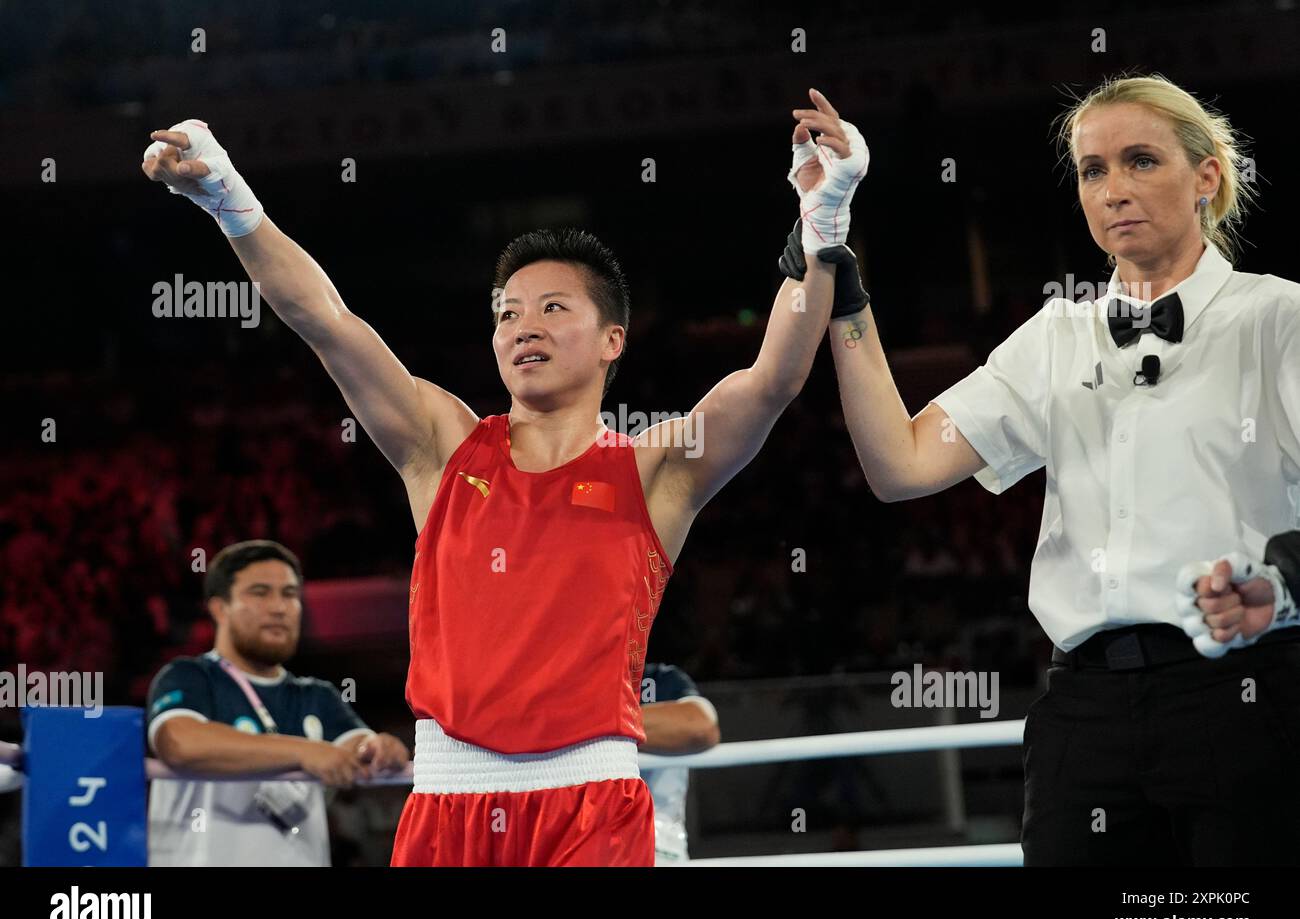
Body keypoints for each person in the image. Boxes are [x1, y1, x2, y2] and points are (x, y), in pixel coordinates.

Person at [140, 91, 869, 865]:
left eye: (553, 307)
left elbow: (772, 382)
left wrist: (824, 222)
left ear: (612, 339)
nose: (524, 325)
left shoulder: (656, 468)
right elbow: (327, 321)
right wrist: (227, 196)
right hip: (447, 802)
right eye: (507, 313)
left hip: (592, 806)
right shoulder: (442, 447)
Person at [803, 72, 1300, 865]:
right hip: (1086, 713)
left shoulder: (1279, 316)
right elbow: (899, 463)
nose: (1113, 189)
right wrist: (834, 258)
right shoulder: (1054, 336)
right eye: (1092, 170)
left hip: (1247, 694)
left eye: (1141, 160)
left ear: (1207, 176)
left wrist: (1280, 589)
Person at [147, 540, 409, 866]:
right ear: (219, 608)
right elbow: (179, 743)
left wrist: (382, 750)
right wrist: (303, 751)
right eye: (260, 592)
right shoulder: (189, 677)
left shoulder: (317, 696)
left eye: (289, 594)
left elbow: (360, 748)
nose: (279, 607)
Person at [638, 662, 720, 865]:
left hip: (659, 849)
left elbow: (699, 727)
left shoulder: (659, 680)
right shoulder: (563, 679)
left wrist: (587, 724)